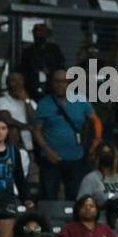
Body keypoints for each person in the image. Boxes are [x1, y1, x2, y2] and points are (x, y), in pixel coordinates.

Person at [32, 67, 95, 201]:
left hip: (76, 157)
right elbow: (36, 130)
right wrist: (47, 150)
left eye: (63, 81)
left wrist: (92, 146)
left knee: (75, 197)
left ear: (69, 83)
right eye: (56, 81)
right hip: (51, 158)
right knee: (49, 196)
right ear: (52, 83)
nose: (60, 84)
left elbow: (95, 123)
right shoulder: (44, 104)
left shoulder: (81, 100)